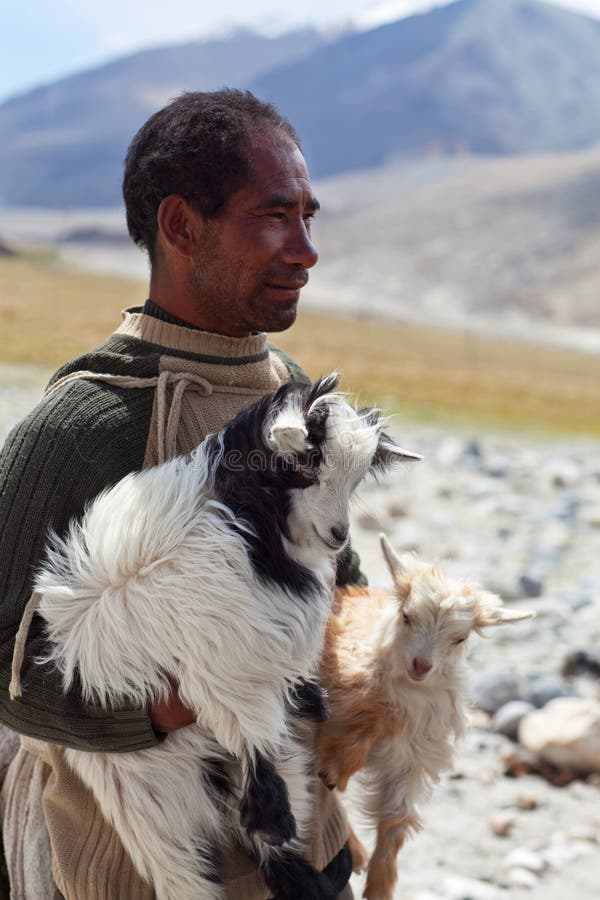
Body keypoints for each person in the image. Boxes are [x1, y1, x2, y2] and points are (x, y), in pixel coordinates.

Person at [0, 89, 364, 899]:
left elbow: (341, 583)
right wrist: (172, 703)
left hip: (304, 845)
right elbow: (7, 667)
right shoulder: (84, 426)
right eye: (274, 216)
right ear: (181, 226)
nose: (305, 249)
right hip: (137, 861)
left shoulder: (295, 397)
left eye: (309, 216)